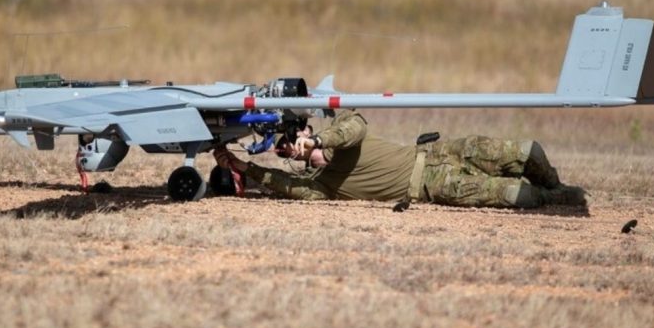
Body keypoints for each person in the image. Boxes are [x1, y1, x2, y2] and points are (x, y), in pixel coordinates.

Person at [213, 110, 586, 208]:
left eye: (293, 139)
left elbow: (355, 128)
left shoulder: (341, 127)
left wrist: (320, 141)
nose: (291, 148)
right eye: (284, 148)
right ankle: (560, 197)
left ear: (306, 132)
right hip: (432, 186)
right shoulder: (322, 187)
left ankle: (554, 183)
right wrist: (245, 167)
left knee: (527, 152)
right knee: (514, 196)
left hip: (438, 153)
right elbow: (290, 188)